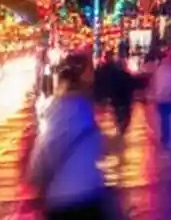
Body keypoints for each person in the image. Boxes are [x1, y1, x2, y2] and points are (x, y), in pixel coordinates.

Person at [26, 55, 110, 219]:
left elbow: (46, 150)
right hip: (83, 196)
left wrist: (35, 180)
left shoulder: (66, 108)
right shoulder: (77, 108)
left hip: (69, 197)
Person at [93, 53, 135, 137]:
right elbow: (131, 86)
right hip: (123, 99)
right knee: (123, 114)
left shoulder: (109, 72)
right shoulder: (124, 75)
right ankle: (121, 127)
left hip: (117, 98)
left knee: (120, 113)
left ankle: (120, 127)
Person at [149, 52, 171, 146]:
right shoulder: (169, 69)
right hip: (167, 97)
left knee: (164, 118)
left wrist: (155, 95)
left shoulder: (160, 69)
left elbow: (157, 83)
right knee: (165, 117)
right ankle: (165, 136)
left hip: (161, 97)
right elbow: (170, 83)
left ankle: (165, 136)